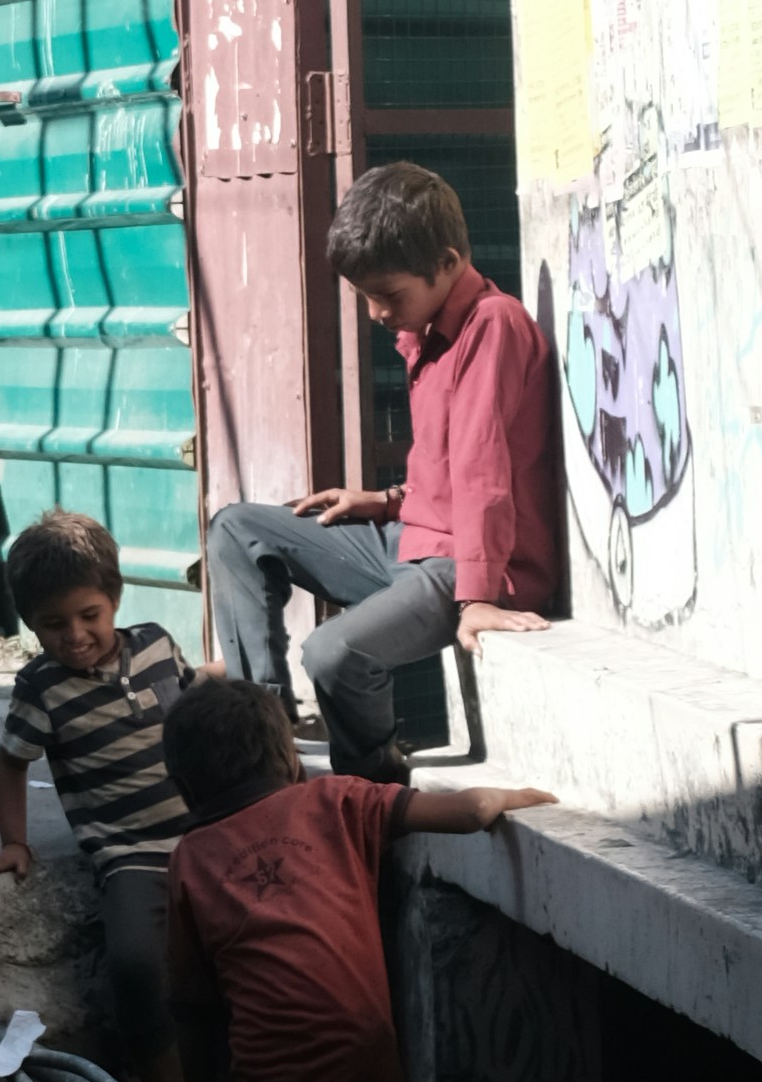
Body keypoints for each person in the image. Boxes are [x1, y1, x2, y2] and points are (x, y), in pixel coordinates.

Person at [156, 669, 551, 1082]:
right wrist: (511, 797)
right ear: (290, 760)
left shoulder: (189, 859)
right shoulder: (339, 800)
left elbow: (194, 1013)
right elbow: (471, 810)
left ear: (184, 786)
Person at [206, 161, 559, 780]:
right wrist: (386, 500)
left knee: (334, 653)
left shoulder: (493, 325)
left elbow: (483, 470)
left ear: (447, 264)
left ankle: (374, 791)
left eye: (388, 295)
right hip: (417, 541)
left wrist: (475, 598)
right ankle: (264, 732)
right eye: (364, 296)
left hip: (472, 565)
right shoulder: (430, 331)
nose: (374, 313)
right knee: (237, 528)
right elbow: (446, 469)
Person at [0, 508, 194, 1082]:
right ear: (31, 625)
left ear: (115, 598)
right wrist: (15, 842)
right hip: (130, 856)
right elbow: (11, 763)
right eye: (54, 624)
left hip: (207, 837)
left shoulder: (159, 648)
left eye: (90, 616)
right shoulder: (42, 689)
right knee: (137, 965)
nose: (76, 636)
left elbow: (202, 724)